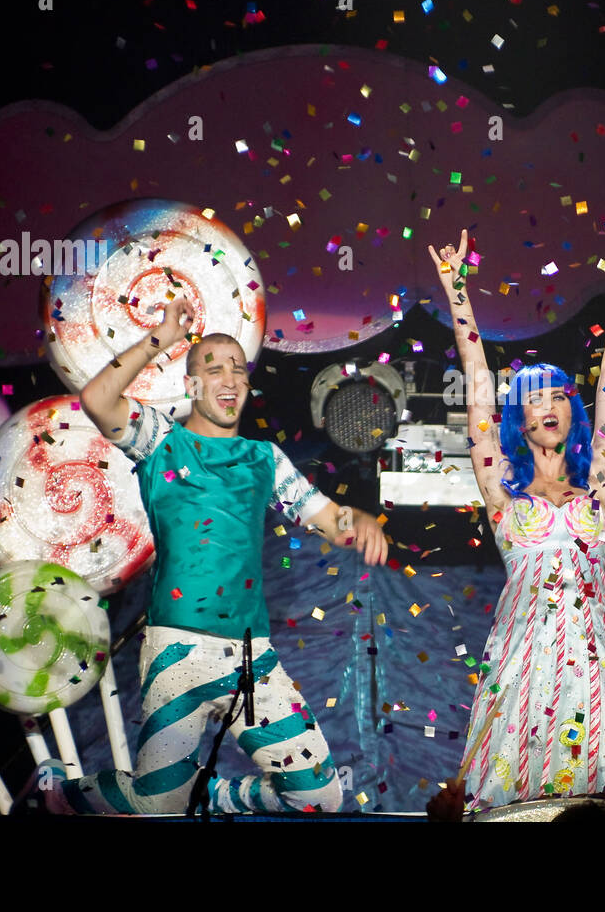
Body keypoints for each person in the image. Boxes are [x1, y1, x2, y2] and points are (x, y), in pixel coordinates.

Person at [47, 297, 388, 814]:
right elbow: (97, 398)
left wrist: (357, 521)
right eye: (214, 369)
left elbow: (327, 517)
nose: (229, 380)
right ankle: (68, 794)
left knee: (318, 797)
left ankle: (210, 794)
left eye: (238, 370)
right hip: (176, 652)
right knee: (157, 808)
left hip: (251, 659)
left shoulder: (264, 458)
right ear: (192, 386)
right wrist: (161, 338)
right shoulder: (161, 441)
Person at [429, 227, 605, 810]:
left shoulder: (598, 486)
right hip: (524, 661)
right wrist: (458, 294)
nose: (549, 405)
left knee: (600, 802)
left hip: (594, 660)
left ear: (572, 411)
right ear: (518, 419)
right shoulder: (501, 491)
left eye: (558, 396)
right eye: (534, 398)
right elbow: (477, 386)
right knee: (516, 799)